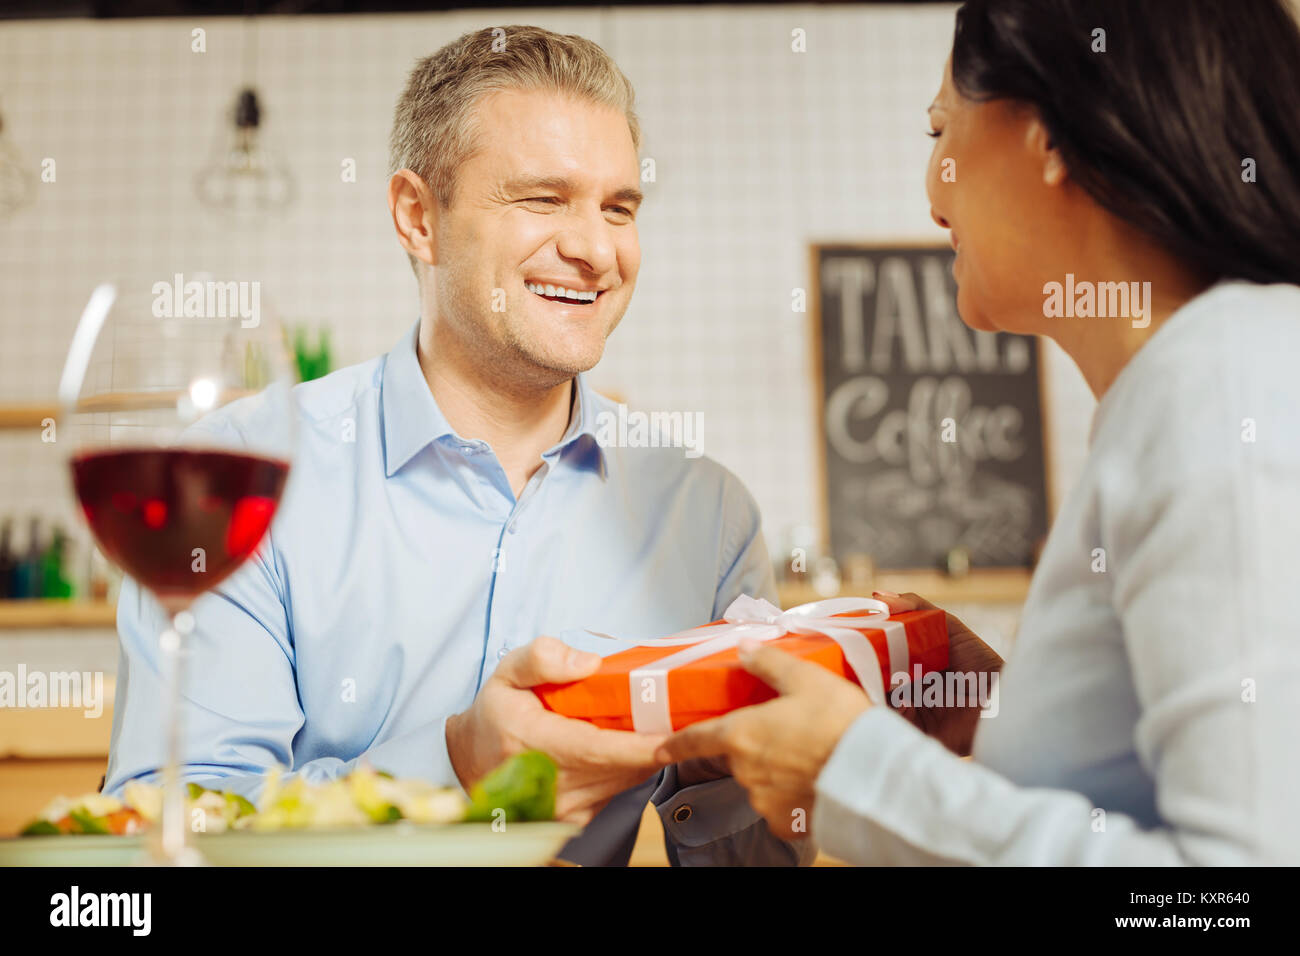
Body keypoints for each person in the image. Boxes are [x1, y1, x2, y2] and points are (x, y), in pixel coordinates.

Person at [106, 25, 812, 866]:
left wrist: (743, 779)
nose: (595, 250)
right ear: (417, 217)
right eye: (542, 199)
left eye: (619, 207)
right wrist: (453, 768)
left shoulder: (708, 514)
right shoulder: (230, 478)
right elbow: (175, 827)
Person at [659, 0, 1300, 864]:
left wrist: (858, 776)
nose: (932, 197)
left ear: (1047, 136)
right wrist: (1010, 714)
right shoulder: (1201, 382)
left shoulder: (1221, 383)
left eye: (940, 132)